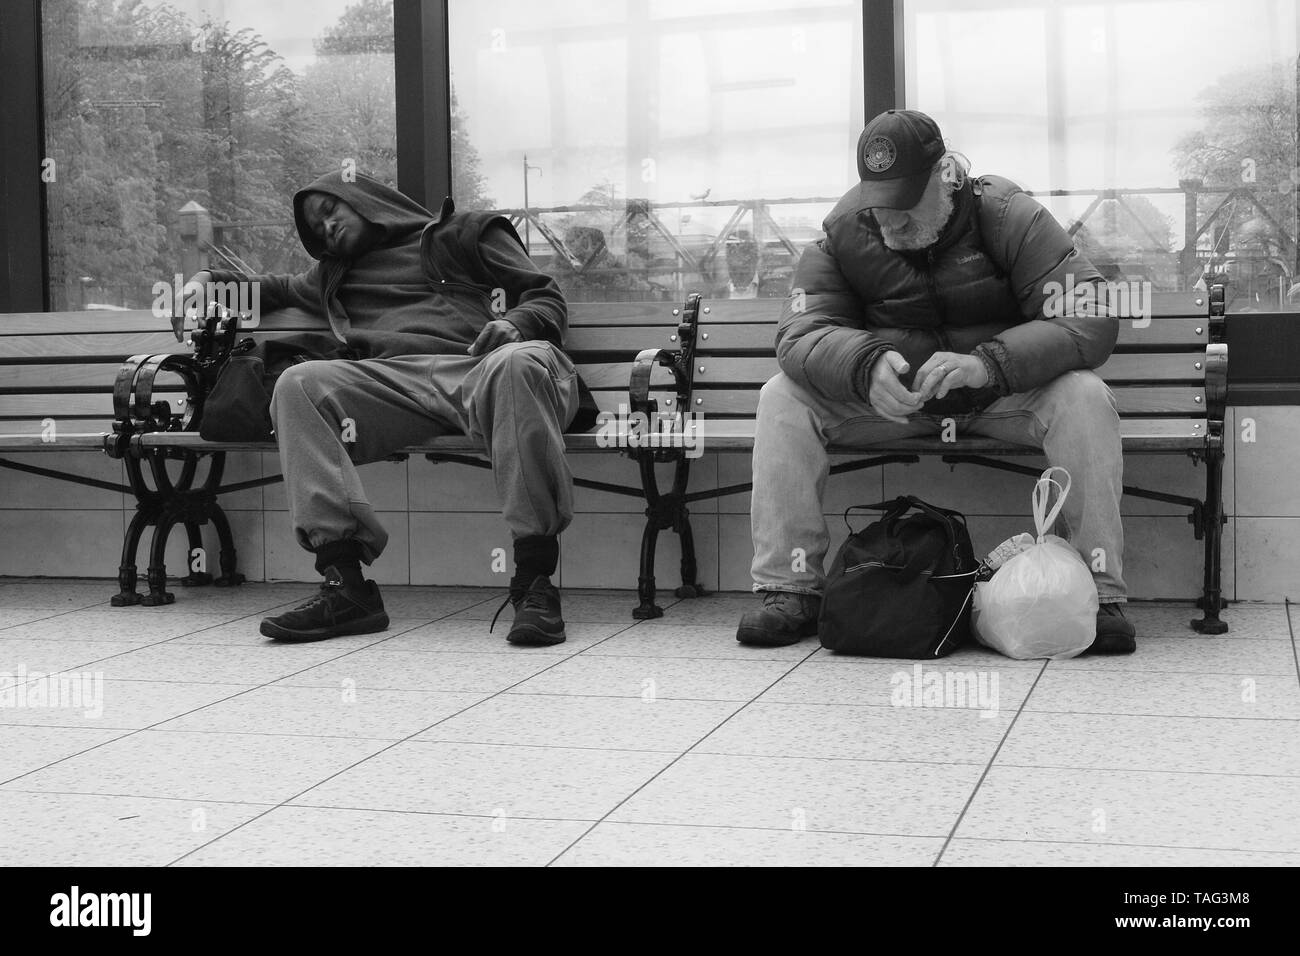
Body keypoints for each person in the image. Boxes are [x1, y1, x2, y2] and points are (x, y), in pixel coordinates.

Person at [736, 108, 1136, 654]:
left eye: (905, 204)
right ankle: (790, 588)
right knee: (780, 398)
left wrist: (988, 363)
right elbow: (800, 331)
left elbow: (1089, 315)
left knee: (1085, 397)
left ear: (946, 173)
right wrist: (863, 365)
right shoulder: (846, 229)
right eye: (879, 203)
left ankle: (1098, 592)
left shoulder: (1007, 215)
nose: (890, 223)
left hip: (1000, 396)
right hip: (896, 404)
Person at [179, 171, 593, 646]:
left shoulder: (466, 233)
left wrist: (517, 325)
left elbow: (545, 295)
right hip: (395, 385)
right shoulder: (335, 274)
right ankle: (346, 587)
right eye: (317, 228)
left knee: (519, 364)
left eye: (330, 211)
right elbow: (276, 288)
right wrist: (209, 281)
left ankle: (534, 583)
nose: (327, 228)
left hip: (485, 369)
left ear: (364, 198)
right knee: (299, 383)